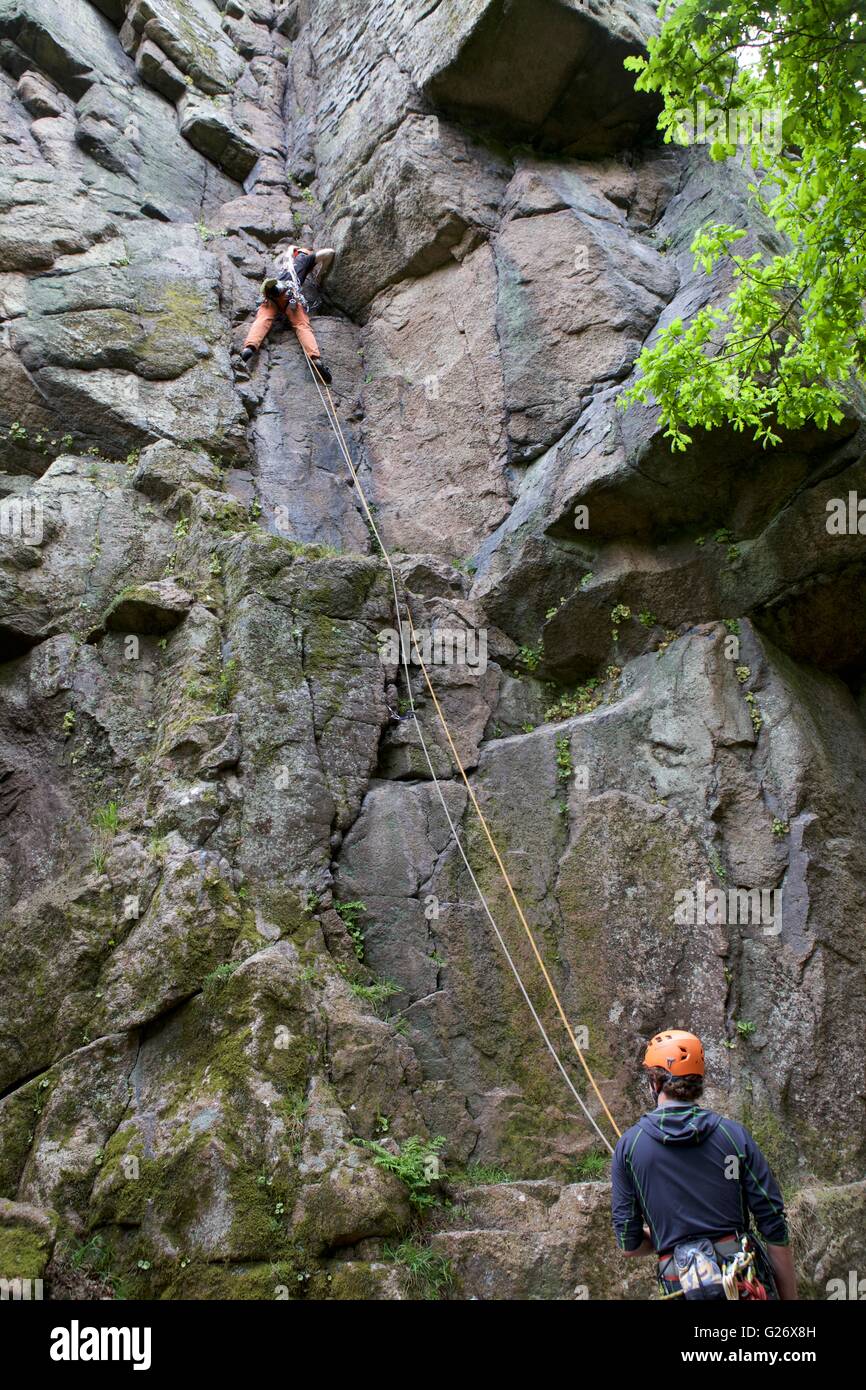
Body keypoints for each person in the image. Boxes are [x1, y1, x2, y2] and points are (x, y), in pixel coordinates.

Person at [611, 1029, 797, 1300]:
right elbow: (773, 1223)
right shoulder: (733, 1136)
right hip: (741, 1280)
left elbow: (629, 1243)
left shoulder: (629, 1147)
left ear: (655, 1081)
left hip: (682, 1286)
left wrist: (666, 1234)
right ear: (697, 1080)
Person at [241, 243, 335, 381]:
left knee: (262, 319)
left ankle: (249, 348)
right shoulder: (304, 258)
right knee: (302, 326)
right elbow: (329, 252)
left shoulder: (287, 261)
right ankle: (315, 359)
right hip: (289, 295)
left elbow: (290, 249)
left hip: (272, 294)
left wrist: (292, 249)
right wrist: (320, 275)